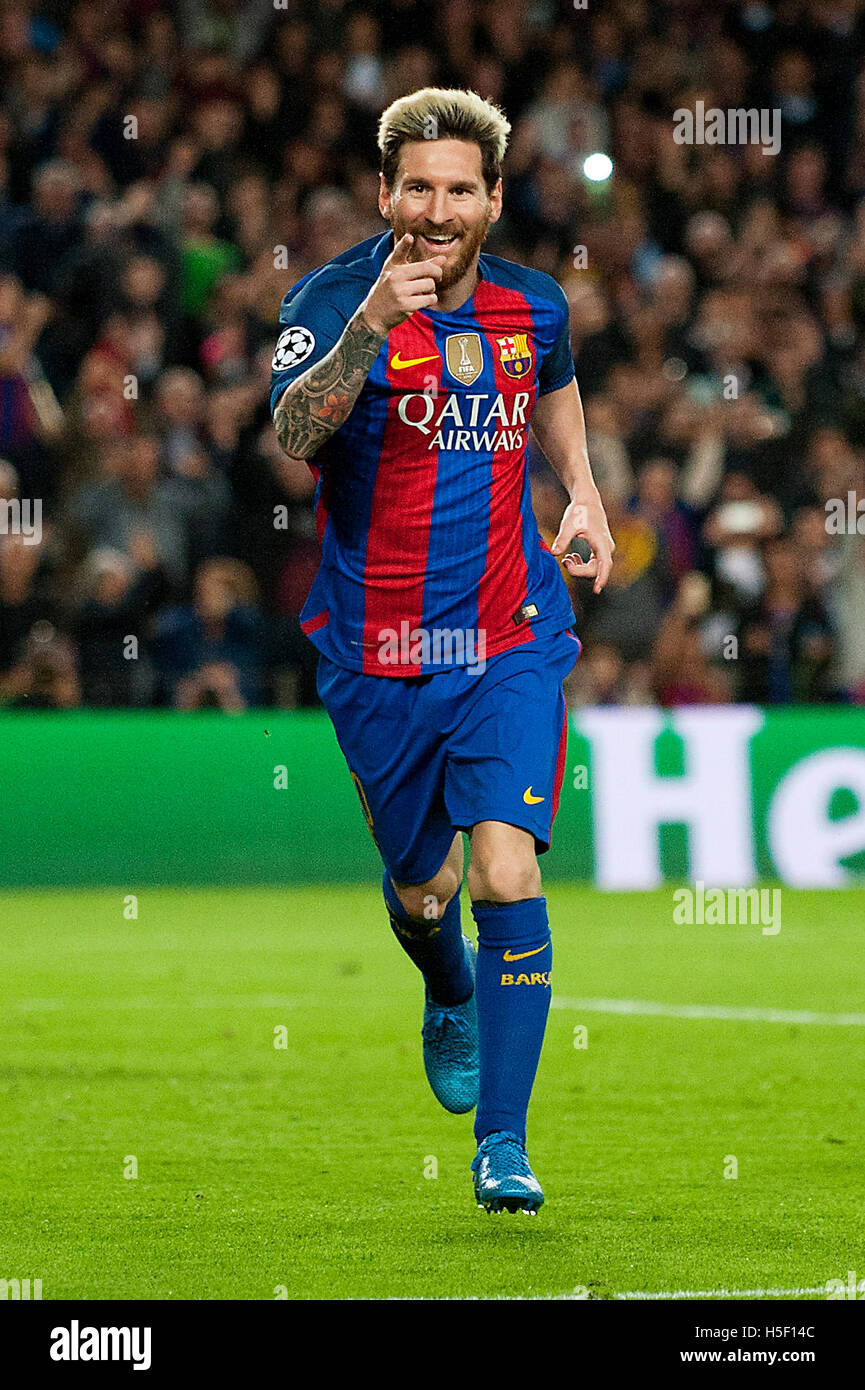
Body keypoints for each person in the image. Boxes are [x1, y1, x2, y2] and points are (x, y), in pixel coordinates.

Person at [269, 88, 614, 1214]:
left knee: (506, 867)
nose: (436, 207)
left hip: (507, 634)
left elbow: (554, 388)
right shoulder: (328, 300)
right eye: (416, 185)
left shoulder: (534, 304)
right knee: (426, 889)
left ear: (493, 199)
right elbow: (293, 434)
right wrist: (370, 322)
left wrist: (585, 498)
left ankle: (503, 1145)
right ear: (385, 193)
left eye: (459, 188)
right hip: (378, 651)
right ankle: (445, 981)